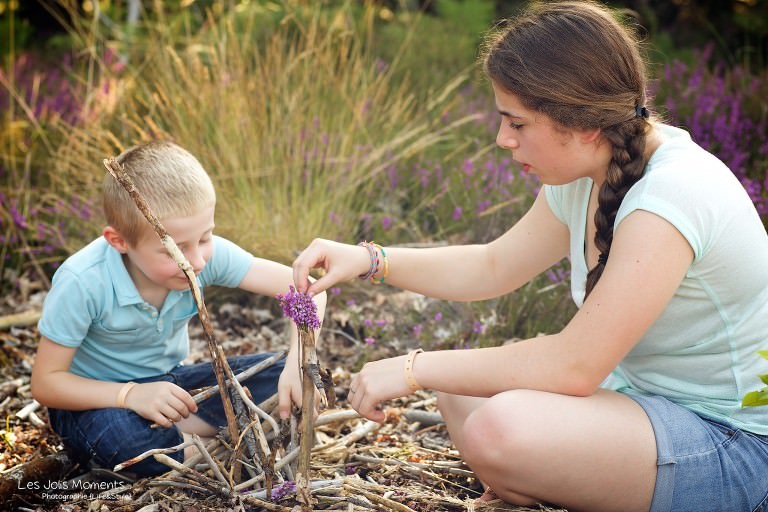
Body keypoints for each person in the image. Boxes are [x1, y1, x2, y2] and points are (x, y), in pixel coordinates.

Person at [291, 2, 768, 511]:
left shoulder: (673, 194)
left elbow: (576, 366)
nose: (502, 139)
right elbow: (494, 265)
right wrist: (370, 259)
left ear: (584, 123)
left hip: (734, 441)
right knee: (462, 390)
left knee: (499, 425)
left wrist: (412, 367)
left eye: (517, 123)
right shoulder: (592, 167)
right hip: (642, 401)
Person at [31, 141, 326, 477]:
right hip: (96, 400)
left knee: (280, 375)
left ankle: (190, 443)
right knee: (125, 439)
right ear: (119, 241)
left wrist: (299, 360)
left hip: (173, 386)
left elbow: (309, 292)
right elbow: (46, 384)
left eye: (206, 238)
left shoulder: (202, 256)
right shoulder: (83, 281)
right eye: (175, 250)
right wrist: (130, 395)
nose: (197, 261)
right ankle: (223, 444)